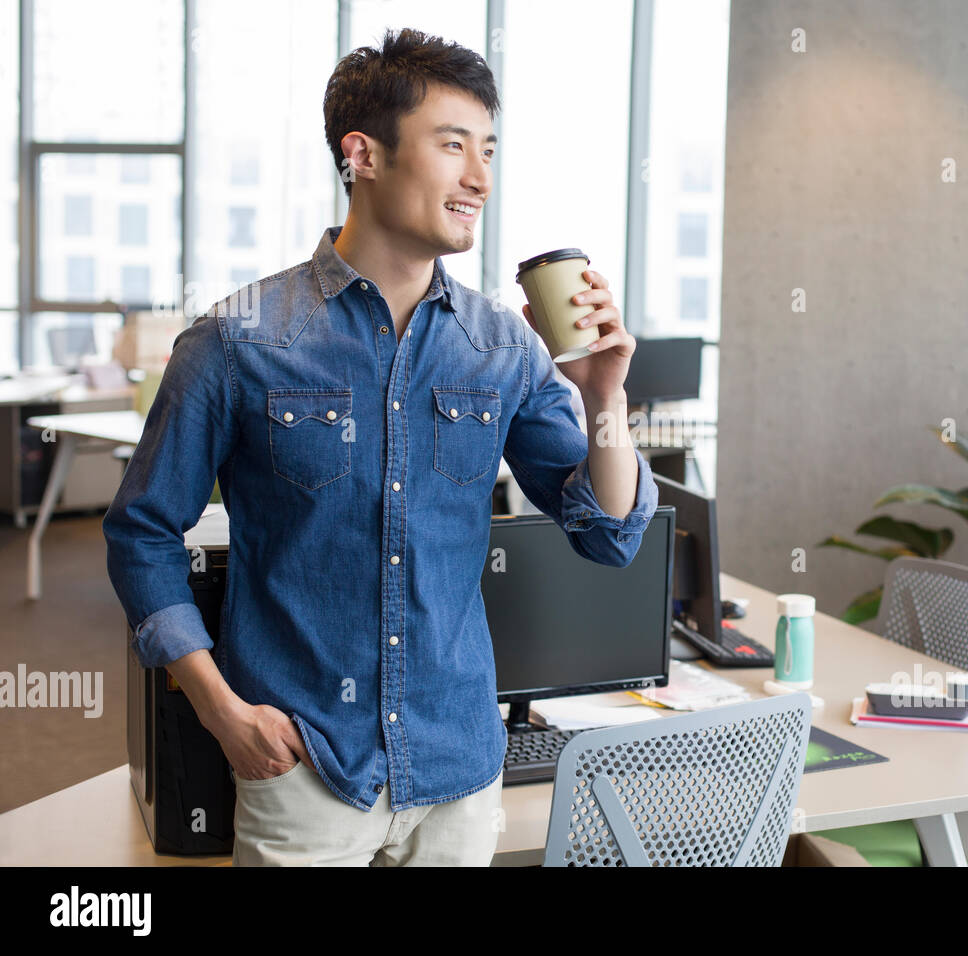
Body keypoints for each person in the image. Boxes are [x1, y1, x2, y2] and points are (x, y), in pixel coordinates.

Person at [102, 27, 659, 866]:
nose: (479, 177)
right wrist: (222, 713)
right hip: (306, 770)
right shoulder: (238, 340)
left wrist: (605, 397)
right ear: (362, 154)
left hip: (459, 770)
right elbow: (142, 533)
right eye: (452, 145)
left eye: (489, 150)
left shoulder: (502, 346)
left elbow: (609, 532)